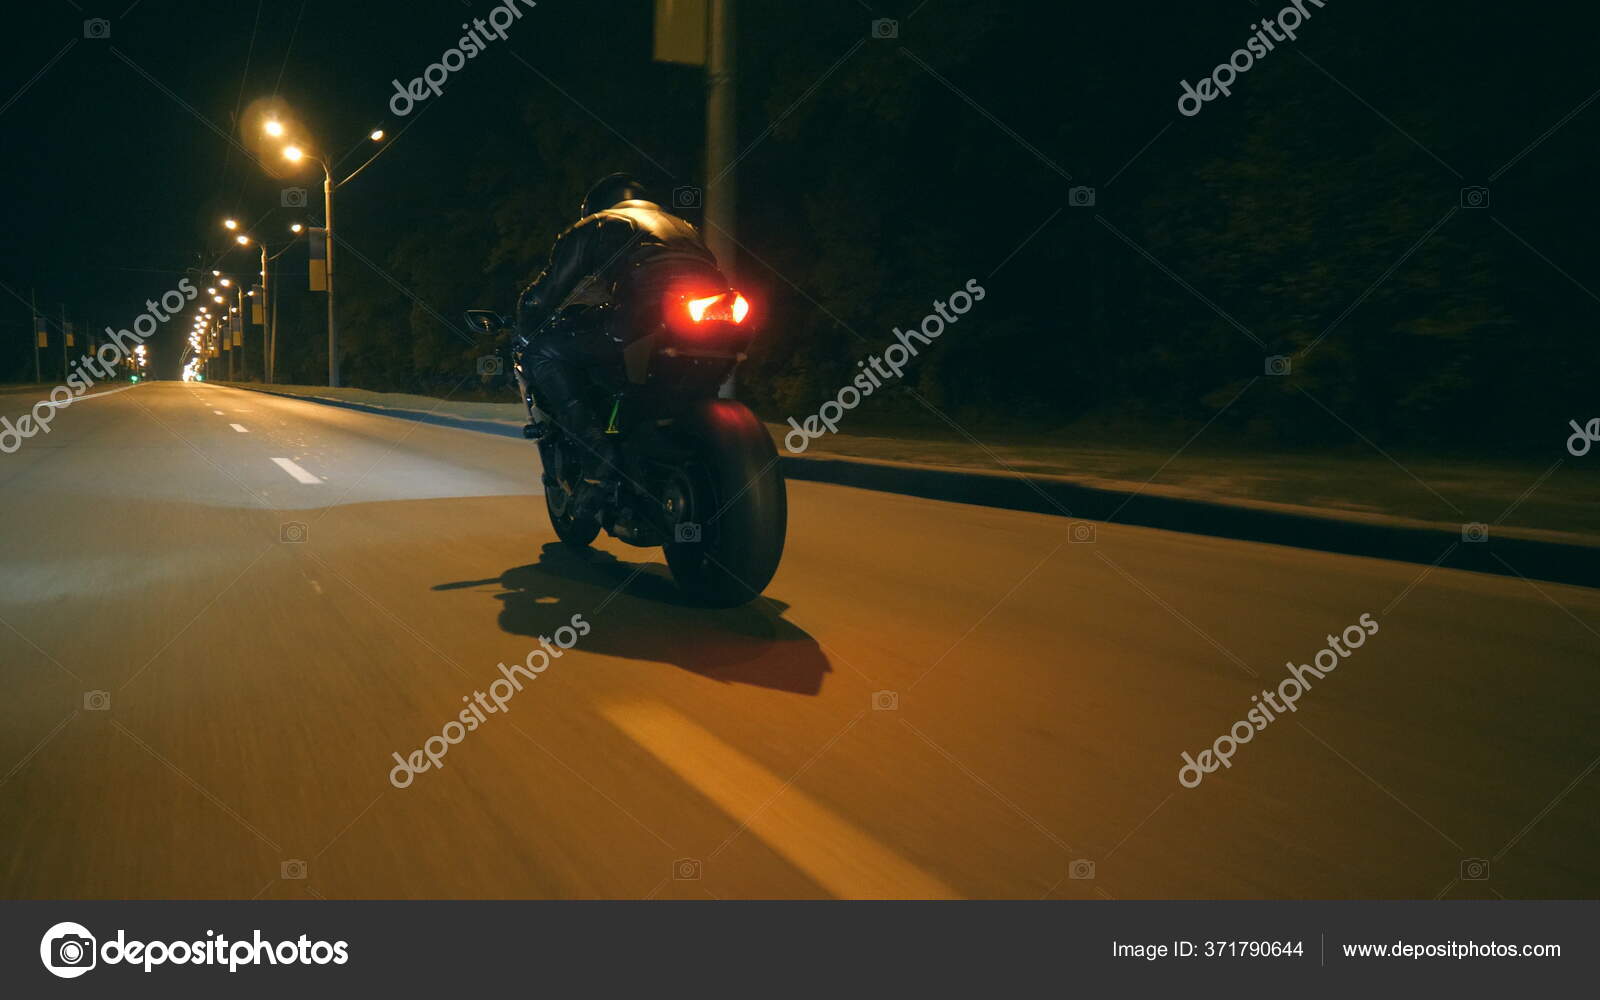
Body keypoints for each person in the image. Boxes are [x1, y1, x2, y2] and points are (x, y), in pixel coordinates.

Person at [513, 172, 721, 483]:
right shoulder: (682, 227)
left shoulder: (598, 224)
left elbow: (544, 297)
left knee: (542, 354)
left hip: (646, 310)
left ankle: (596, 448)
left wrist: (524, 329)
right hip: (719, 309)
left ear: (596, 206)